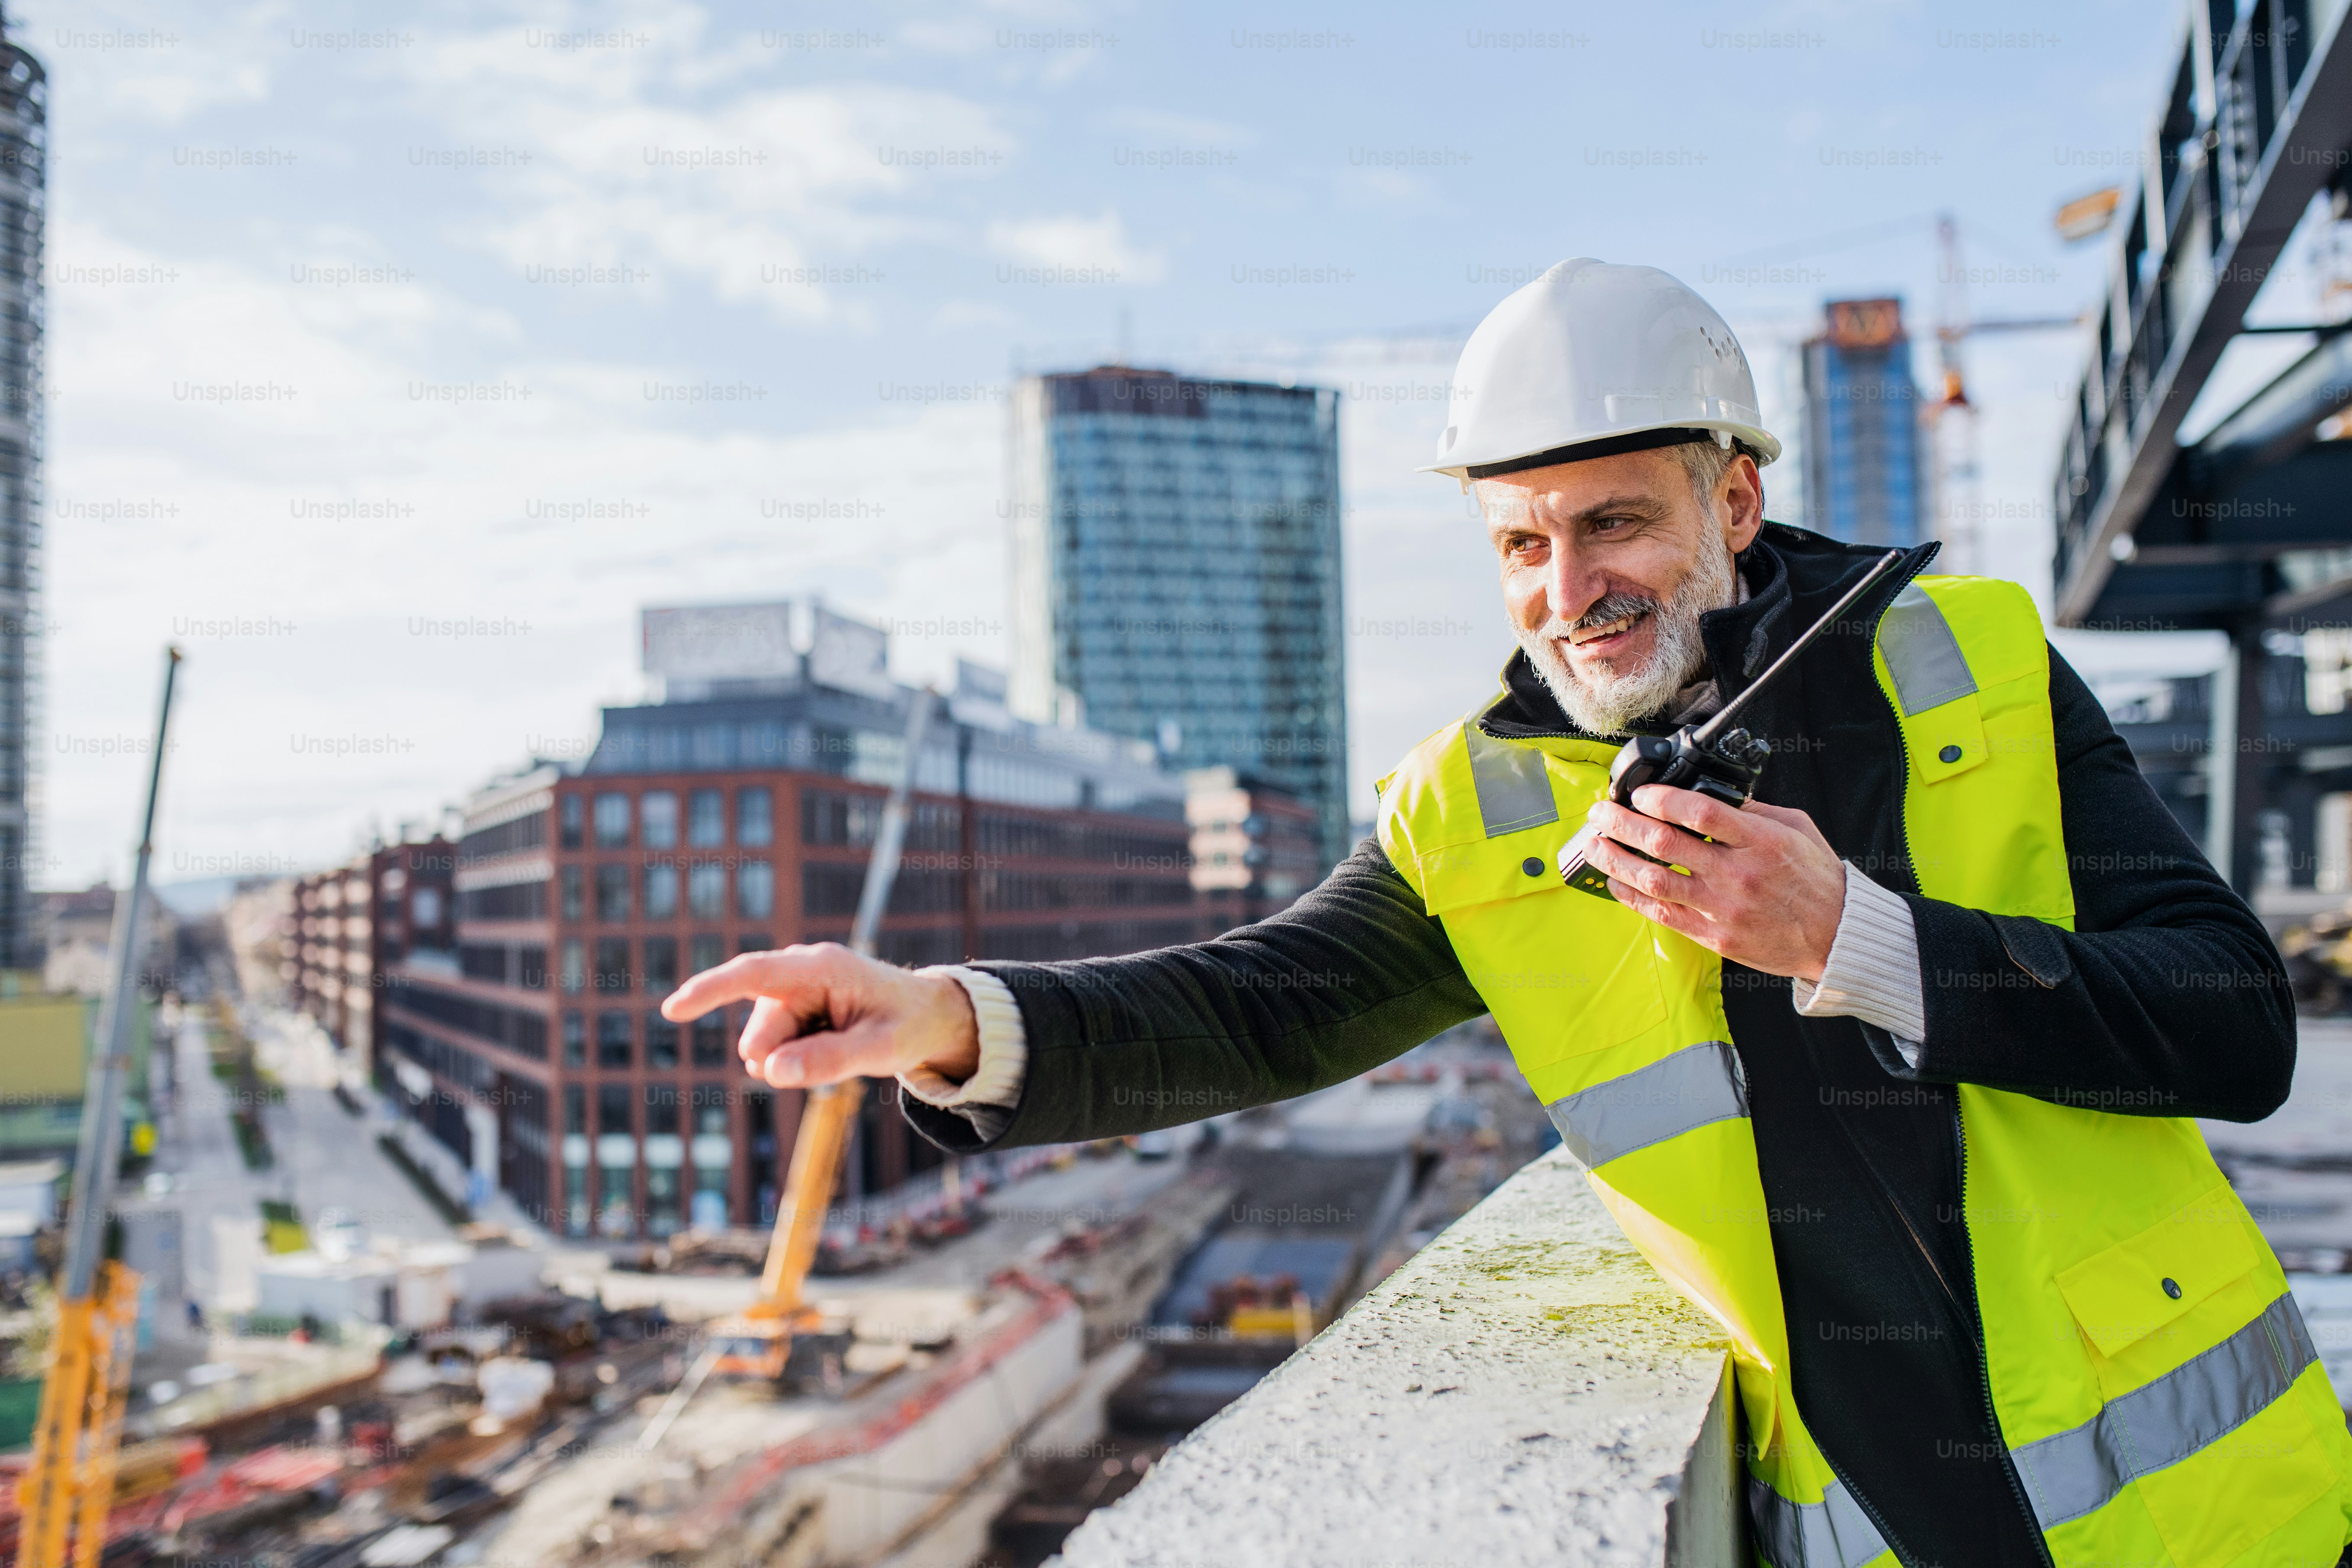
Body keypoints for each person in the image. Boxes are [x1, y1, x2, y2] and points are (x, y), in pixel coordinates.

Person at [666, 260, 2342, 1567]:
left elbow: (2231, 1022)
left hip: (2215, 1524)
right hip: (1867, 1530)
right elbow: (1264, 1007)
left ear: (1730, 507)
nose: (1568, 588)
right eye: (1520, 543)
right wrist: (947, 1017)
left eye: (1616, 521)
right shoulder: (1475, 808)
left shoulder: (1968, 660)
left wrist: (1859, 940)